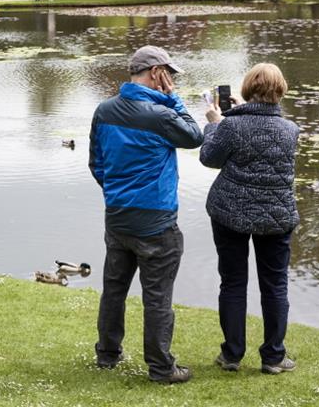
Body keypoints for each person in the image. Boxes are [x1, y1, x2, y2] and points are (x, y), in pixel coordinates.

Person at [89, 46, 203, 384]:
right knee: (157, 296)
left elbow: (97, 163)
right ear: (156, 73)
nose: (170, 81)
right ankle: (161, 367)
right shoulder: (160, 115)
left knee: (114, 289)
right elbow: (195, 136)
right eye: (169, 74)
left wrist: (115, 193)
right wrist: (174, 99)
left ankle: (107, 354)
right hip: (156, 222)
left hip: (118, 216)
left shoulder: (104, 110)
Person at [200, 63, 300, 375]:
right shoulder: (291, 130)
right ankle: (273, 357)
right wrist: (241, 114)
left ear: (246, 90)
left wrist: (215, 123)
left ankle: (231, 355)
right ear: (280, 90)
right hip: (276, 215)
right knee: (275, 285)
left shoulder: (230, 126)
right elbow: (264, 128)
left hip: (231, 212)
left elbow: (209, 158)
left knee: (233, 282)